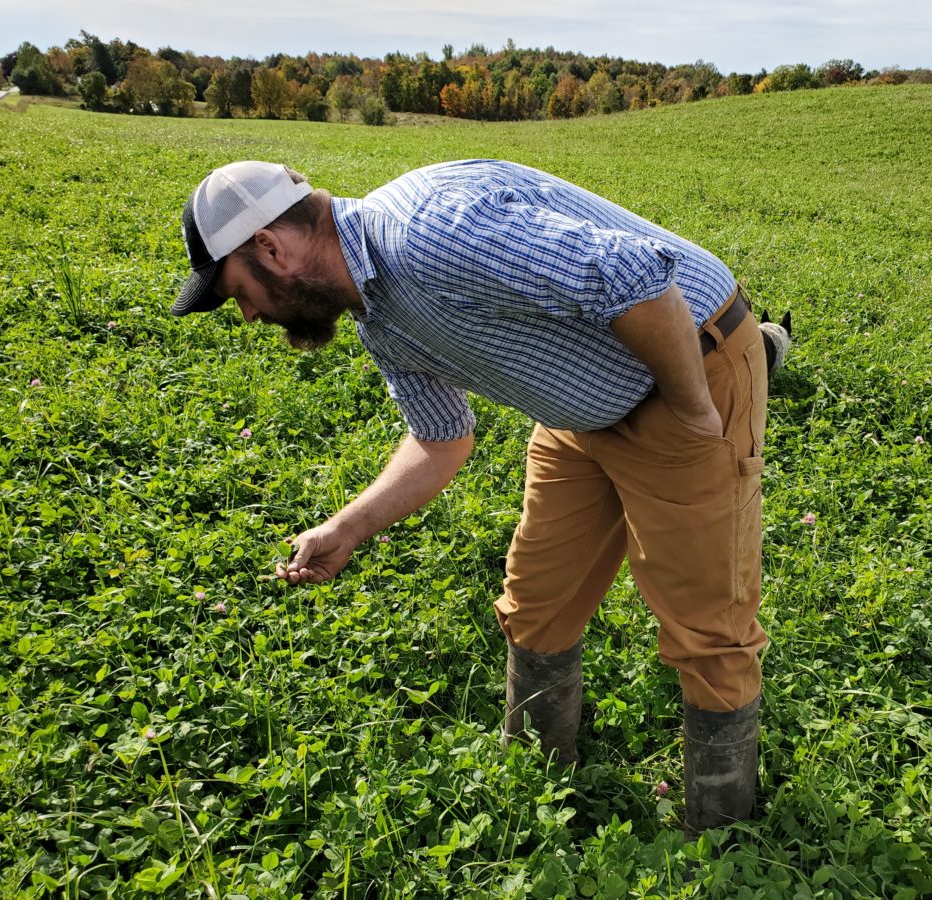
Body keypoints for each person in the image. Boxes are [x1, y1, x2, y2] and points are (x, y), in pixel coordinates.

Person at [172, 159, 770, 836]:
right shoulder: (379, 318)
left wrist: (693, 408)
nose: (250, 314)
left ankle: (720, 843)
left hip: (686, 362)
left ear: (270, 247)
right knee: (536, 604)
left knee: (707, 630)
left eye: (240, 292)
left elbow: (637, 277)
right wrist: (347, 527)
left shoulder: (428, 235)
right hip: (582, 407)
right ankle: (538, 792)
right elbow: (441, 440)